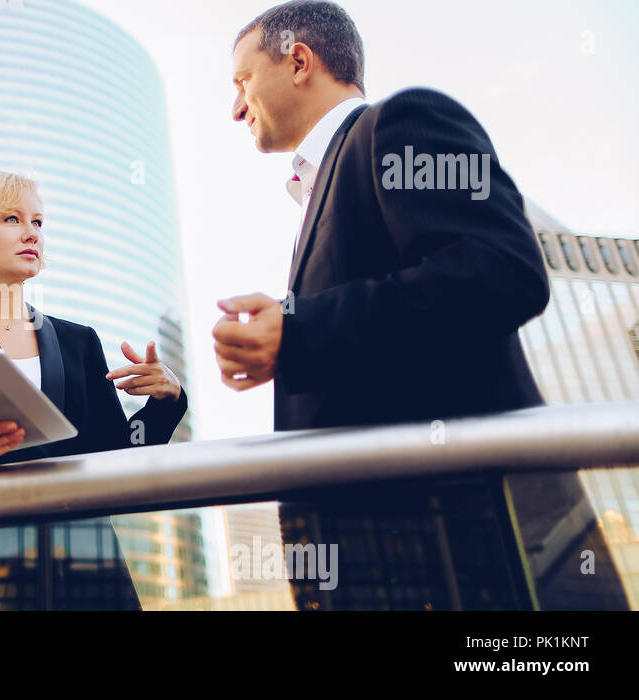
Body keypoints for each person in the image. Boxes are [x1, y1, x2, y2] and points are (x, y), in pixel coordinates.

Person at [216, 0, 624, 609]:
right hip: (406, 565)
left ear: (299, 60)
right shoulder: (319, 191)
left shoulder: (401, 123)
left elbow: (500, 269)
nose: (236, 108)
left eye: (243, 81)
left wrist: (298, 334)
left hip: (477, 564)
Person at [0, 170, 188, 610]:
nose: (32, 233)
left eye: (38, 222)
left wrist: (165, 402)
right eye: (12, 219)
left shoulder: (79, 341)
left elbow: (116, 458)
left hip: (83, 565)